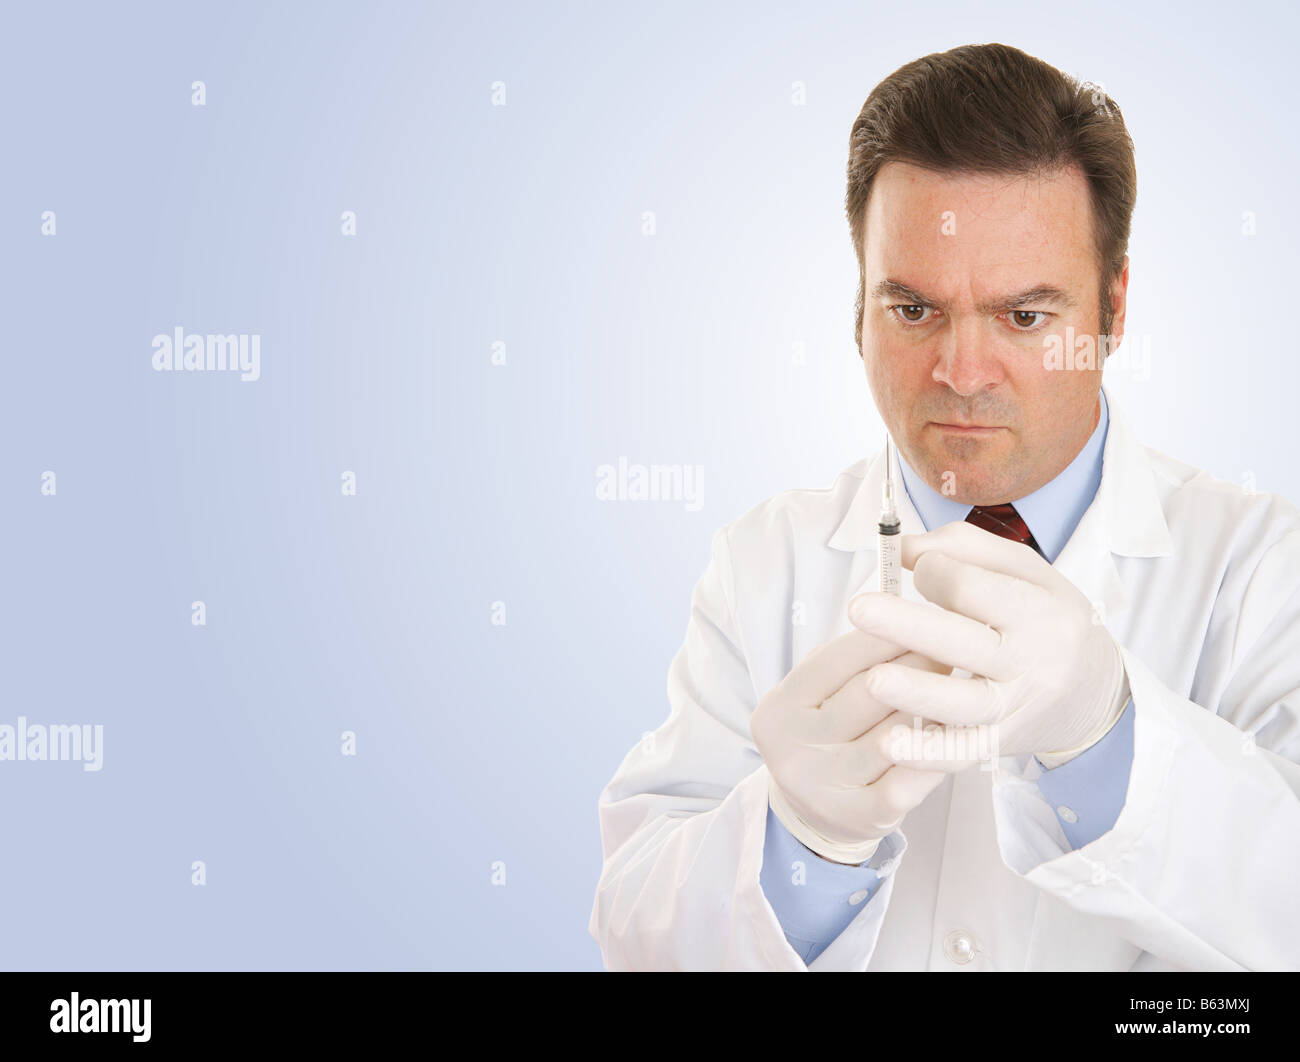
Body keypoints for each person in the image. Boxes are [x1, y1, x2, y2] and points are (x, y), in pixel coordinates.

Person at [587, 42, 1300, 971]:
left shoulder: (1260, 567)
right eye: (914, 309)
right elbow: (640, 937)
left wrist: (1105, 735)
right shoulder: (764, 562)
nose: (961, 375)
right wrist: (796, 844)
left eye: (1026, 317)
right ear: (857, 306)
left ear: (1113, 310)